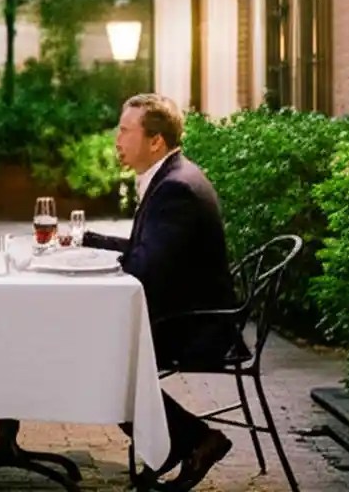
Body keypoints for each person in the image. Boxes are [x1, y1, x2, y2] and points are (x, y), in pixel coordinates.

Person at [82, 93, 238, 491]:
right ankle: (169, 445)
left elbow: (144, 271)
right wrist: (86, 243)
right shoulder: (170, 177)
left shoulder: (176, 189)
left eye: (124, 130)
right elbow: (145, 255)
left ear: (155, 141)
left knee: (98, 355)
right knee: (96, 347)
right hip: (183, 310)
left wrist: (87, 264)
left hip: (197, 327)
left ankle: (195, 440)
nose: (116, 139)